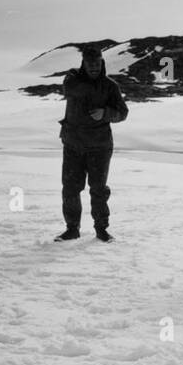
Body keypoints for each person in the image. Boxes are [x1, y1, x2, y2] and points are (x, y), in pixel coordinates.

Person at [55, 45, 128, 241]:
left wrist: (105, 113)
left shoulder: (111, 86)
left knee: (98, 190)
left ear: (102, 63)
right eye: (90, 64)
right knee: (70, 188)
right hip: (73, 144)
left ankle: (101, 229)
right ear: (84, 64)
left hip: (100, 146)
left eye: (97, 64)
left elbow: (123, 113)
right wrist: (90, 84)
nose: (94, 67)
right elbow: (70, 89)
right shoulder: (73, 81)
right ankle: (72, 229)